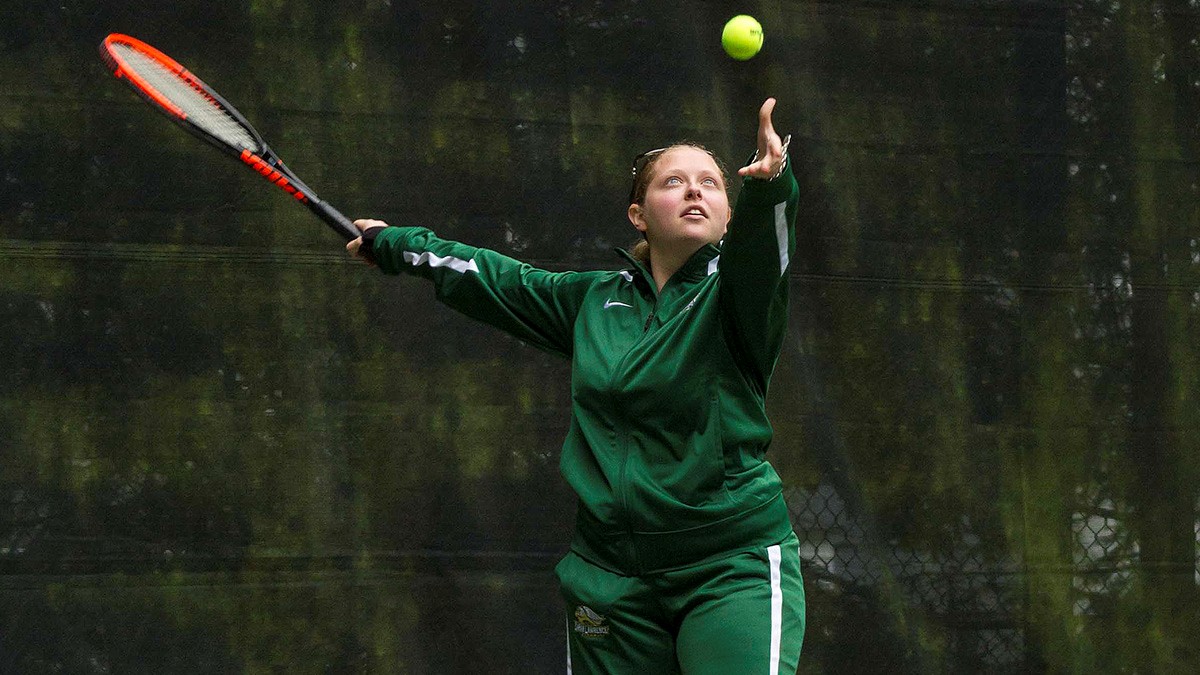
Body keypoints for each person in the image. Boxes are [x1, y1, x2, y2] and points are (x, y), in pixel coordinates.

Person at [348, 98, 805, 674]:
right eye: (674, 182)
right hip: (609, 576)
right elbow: (499, 281)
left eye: (711, 183)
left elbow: (767, 252)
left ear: (728, 214)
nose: (695, 191)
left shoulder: (739, 293)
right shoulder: (594, 301)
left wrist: (771, 187)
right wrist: (396, 245)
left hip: (729, 565)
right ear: (639, 215)